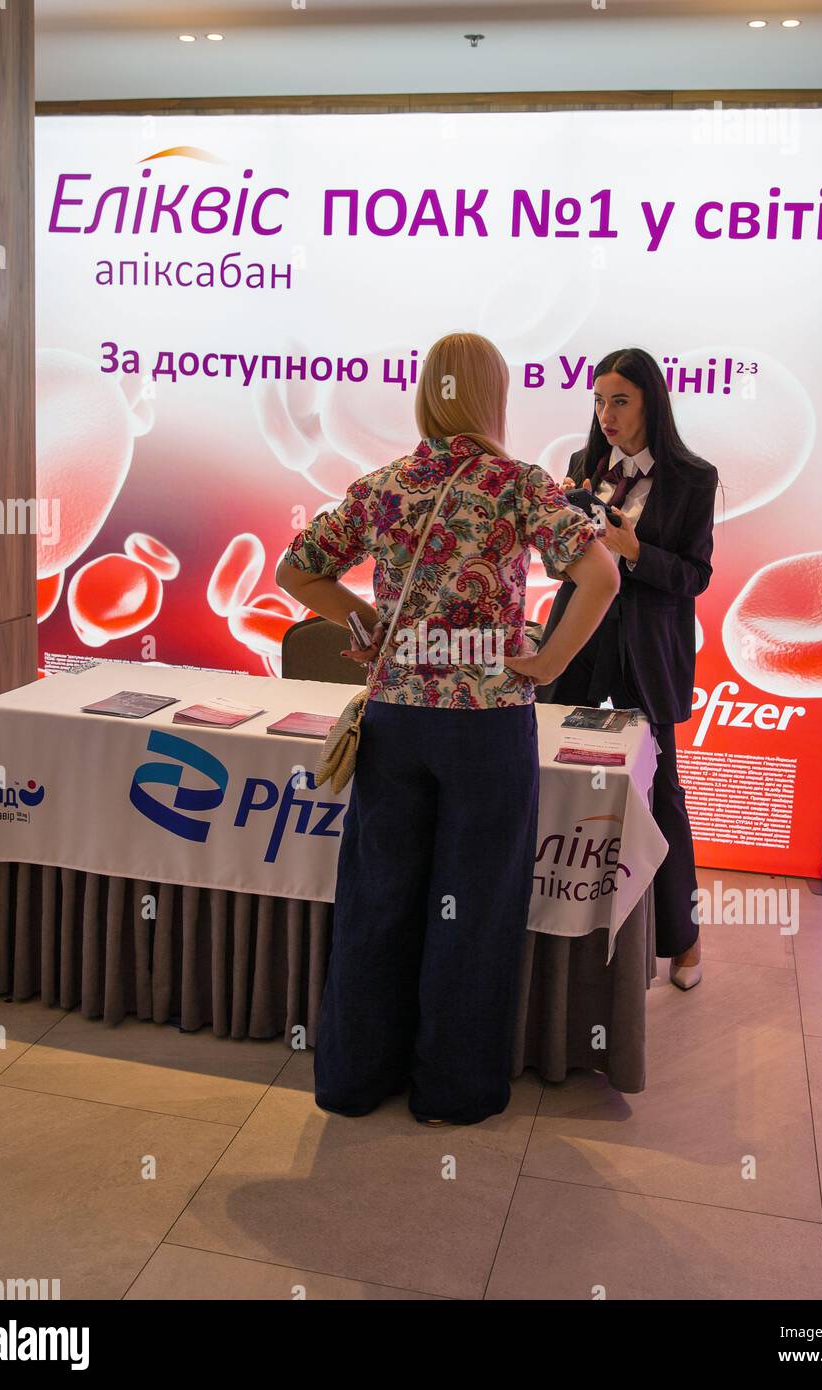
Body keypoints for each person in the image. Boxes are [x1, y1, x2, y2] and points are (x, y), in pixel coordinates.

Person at [276, 332, 619, 1126]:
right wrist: (547, 661)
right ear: (494, 394)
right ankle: (454, 1092)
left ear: (427, 392)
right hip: (486, 726)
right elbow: (598, 574)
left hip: (395, 718)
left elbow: (296, 568)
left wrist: (362, 617)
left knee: (377, 900)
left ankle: (354, 1081)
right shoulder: (518, 484)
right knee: (475, 904)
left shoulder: (388, 484)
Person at [530, 348, 718, 991]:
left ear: (650, 403)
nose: (606, 414)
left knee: (661, 790)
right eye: (599, 401)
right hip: (580, 637)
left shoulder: (693, 478)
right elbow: (562, 570)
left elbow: (695, 576)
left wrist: (634, 551)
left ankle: (682, 941)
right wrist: (560, 535)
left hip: (647, 646)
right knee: (550, 765)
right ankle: (549, 921)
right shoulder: (583, 468)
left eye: (620, 401)